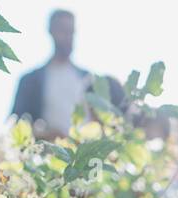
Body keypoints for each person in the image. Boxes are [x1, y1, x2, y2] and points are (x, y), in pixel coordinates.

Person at [10, 9, 125, 141]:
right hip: (49, 156)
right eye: (63, 31)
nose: (68, 37)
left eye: (71, 32)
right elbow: (16, 126)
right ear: (51, 31)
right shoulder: (30, 80)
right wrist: (47, 135)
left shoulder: (89, 79)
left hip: (88, 154)